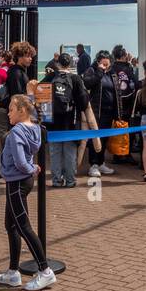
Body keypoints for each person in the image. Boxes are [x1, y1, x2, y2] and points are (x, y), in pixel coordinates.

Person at [0, 94, 56, 291]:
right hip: (22, 182)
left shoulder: (16, 132)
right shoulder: (35, 128)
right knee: (11, 225)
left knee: (23, 227)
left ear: (22, 111)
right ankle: (13, 272)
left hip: (16, 183)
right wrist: (31, 168)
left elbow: (21, 162)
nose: (8, 113)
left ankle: (45, 271)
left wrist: (31, 168)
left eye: (11, 109)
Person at [42, 51, 88, 188]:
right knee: (70, 153)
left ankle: (56, 180)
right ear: (71, 64)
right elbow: (83, 102)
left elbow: (39, 94)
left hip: (52, 122)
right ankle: (70, 180)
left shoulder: (50, 77)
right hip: (71, 123)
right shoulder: (76, 79)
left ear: (57, 63)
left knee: (55, 153)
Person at [82, 50, 116, 175]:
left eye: (108, 63)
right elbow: (87, 83)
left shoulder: (112, 74)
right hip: (96, 111)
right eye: (103, 62)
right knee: (95, 139)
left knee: (105, 138)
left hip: (109, 112)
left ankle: (101, 163)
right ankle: (94, 164)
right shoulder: (92, 70)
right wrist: (100, 71)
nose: (106, 65)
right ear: (98, 61)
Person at [108, 45, 139, 159]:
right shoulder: (127, 68)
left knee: (116, 127)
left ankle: (116, 154)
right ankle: (126, 153)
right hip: (127, 104)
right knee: (128, 128)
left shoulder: (111, 68)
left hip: (114, 103)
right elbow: (134, 84)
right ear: (124, 55)